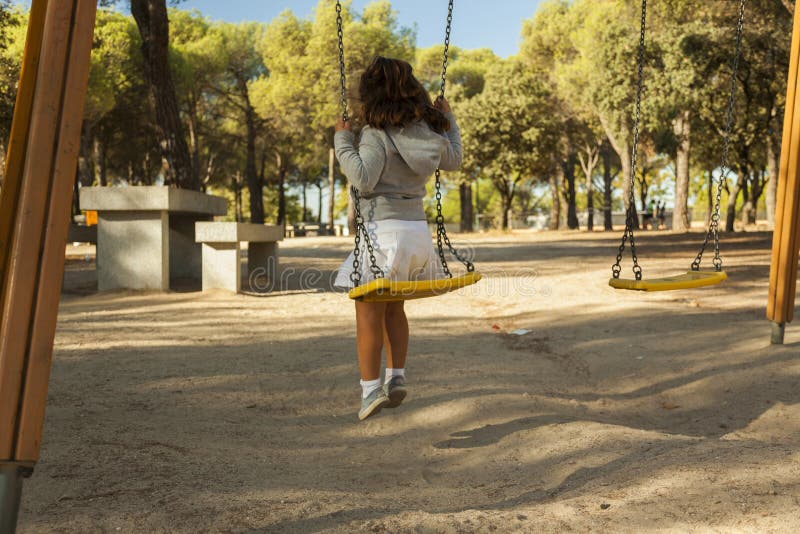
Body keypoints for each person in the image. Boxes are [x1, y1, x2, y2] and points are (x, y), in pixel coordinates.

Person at [333, 56, 462, 421]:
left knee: (367, 313)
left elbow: (363, 177)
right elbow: (454, 158)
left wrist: (343, 140)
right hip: (416, 235)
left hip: (383, 235)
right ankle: (397, 376)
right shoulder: (428, 131)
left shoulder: (376, 133)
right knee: (395, 308)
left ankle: (370, 389)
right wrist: (449, 120)